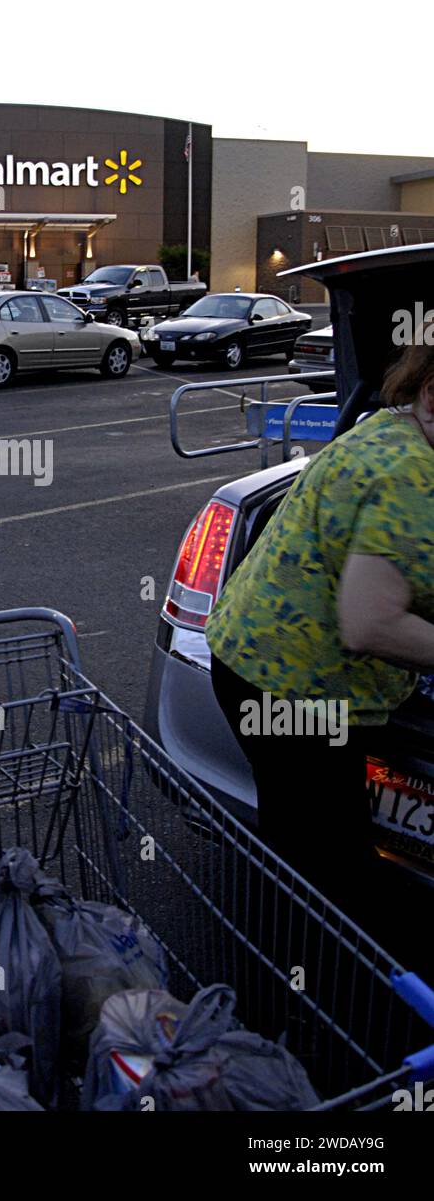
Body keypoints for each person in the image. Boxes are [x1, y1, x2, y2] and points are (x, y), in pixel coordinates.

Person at [206, 342, 434, 957]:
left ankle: (286, 976)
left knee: (299, 843)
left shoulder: (388, 426)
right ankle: (304, 1007)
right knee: (331, 868)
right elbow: (370, 625)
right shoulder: (412, 473)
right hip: (299, 695)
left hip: (251, 664)